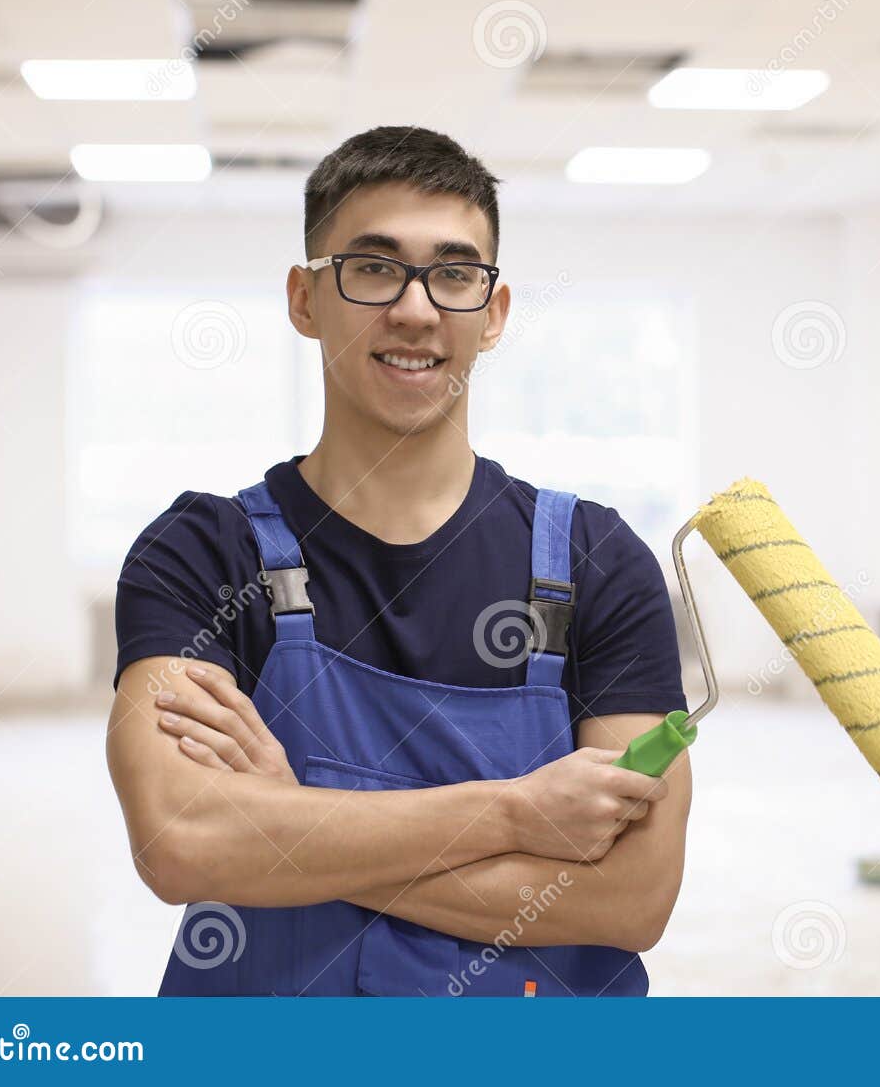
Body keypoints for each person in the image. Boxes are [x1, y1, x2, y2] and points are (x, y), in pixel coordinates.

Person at [105, 126, 691, 997]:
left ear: (492, 314)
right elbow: (180, 841)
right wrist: (516, 812)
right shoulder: (201, 554)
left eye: (455, 274)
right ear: (306, 299)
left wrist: (292, 821)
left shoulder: (597, 560)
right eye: (374, 268)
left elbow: (632, 899)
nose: (417, 310)